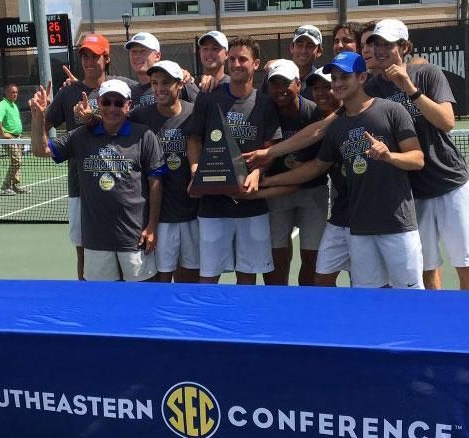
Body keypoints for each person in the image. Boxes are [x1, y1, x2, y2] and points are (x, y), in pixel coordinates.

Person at [261, 52, 425, 289]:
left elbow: (417, 159)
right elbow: (316, 167)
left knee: (410, 295)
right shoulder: (337, 127)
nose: (337, 83)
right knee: (368, 295)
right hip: (359, 228)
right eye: (334, 78)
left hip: (397, 225)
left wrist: (390, 156)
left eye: (344, 77)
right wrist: (268, 181)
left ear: (362, 77)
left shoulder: (392, 111)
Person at [364, 19, 469, 290]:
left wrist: (410, 88)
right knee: (427, 267)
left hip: (450, 184)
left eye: (388, 45)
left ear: (405, 47)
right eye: (376, 44)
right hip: (412, 193)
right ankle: (435, 328)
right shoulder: (371, 90)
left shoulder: (428, 74)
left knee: (466, 264)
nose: (381, 50)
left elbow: (447, 122)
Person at [29, 79, 165, 282]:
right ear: (98, 104)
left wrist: (152, 227)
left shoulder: (144, 136)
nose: (112, 108)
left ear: (129, 106)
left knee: (142, 297)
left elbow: (156, 184)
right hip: (96, 241)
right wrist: (39, 116)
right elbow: (41, 150)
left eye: (118, 103)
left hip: (134, 238)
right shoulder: (81, 136)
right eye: (106, 102)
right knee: (102, 302)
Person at [186, 36, 282, 285]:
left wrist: (257, 173)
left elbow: (270, 145)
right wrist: (196, 170)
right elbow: (195, 138)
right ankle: (207, 321)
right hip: (212, 204)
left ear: (256, 64)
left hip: (250, 204)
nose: (237, 64)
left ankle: (241, 322)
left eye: (243, 59)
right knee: (209, 275)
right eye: (232, 59)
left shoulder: (265, 102)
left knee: (247, 275)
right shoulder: (208, 97)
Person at [46, 33, 135, 280]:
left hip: (122, 188)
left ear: (106, 59)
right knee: (85, 254)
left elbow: (157, 89)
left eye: (94, 56)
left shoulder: (124, 87)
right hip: (81, 189)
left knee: (123, 253)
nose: (88, 61)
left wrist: (186, 75)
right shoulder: (68, 93)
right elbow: (45, 122)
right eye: (84, 56)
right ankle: (86, 302)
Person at [128, 60, 200, 283]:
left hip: (192, 214)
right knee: (160, 281)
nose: (159, 89)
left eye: (166, 83)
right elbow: (113, 122)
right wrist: (91, 118)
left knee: (189, 281)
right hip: (158, 218)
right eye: (155, 83)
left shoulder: (193, 113)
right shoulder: (140, 116)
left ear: (180, 85)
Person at [263, 60, 327, 286]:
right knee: (276, 254)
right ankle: (278, 301)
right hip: (276, 193)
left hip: (313, 191)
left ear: (298, 85)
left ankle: (305, 301)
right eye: (275, 83)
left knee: (312, 255)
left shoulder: (315, 112)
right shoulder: (265, 109)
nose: (280, 89)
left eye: (286, 83)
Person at [304, 70, 350, 287]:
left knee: (367, 282)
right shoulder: (316, 118)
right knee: (322, 278)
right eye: (316, 88)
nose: (321, 93)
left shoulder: (354, 115)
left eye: (326, 87)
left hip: (369, 216)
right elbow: (316, 165)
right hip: (341, 215)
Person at [125, 32, 199, 109]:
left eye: (143, 51)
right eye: (133, 52)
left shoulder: (180, 81)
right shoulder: (128, 93)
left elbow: (203, 110)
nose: (136, 56)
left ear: (157, 56)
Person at [0, 83, 28, 195]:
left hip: (17, 138)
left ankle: (15, 185)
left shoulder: (14, 105)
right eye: (13, 92)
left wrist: (20, 135)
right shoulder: (3, 104)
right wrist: (3, 134)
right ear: (7, 93)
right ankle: (5, 186)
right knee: (16, 160)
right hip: (9, 138)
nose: (15, 94)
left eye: (16, 92)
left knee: (18, 161)